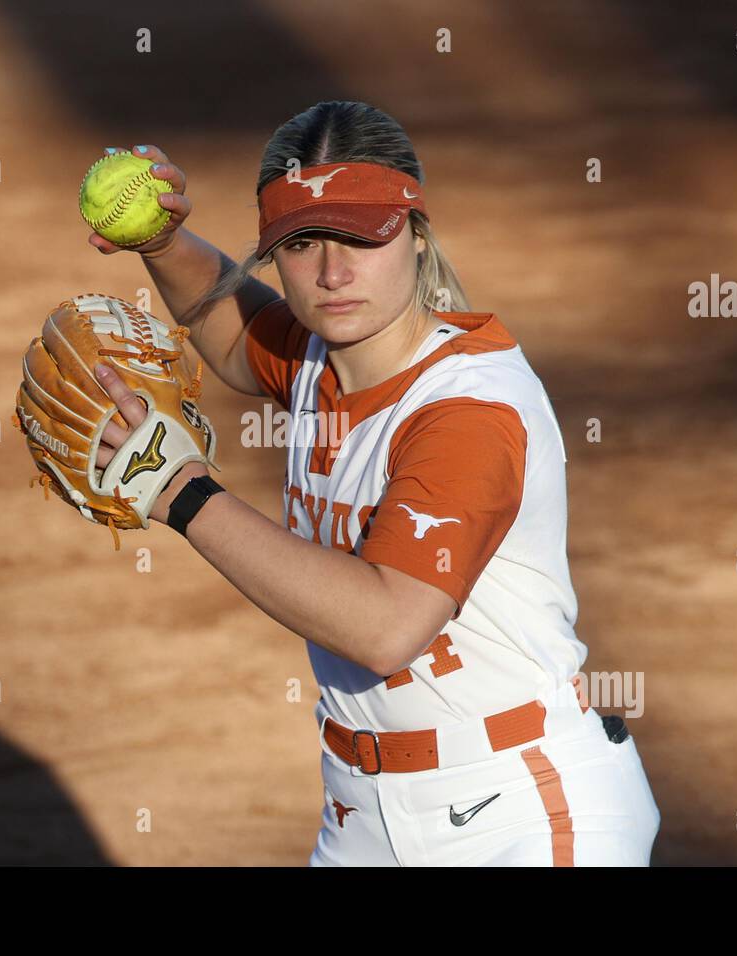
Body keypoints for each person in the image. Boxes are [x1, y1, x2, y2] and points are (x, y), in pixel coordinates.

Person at [84, 100, 660, 866]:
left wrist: (185, 494)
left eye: (362, 236)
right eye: (302, 243)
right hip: (360, 815)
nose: (332, 272)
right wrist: (160, 241)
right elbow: (225, 327)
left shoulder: (468, 411)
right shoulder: (322, 356)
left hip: (522, 813)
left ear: (416, 235)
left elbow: (385, 627)